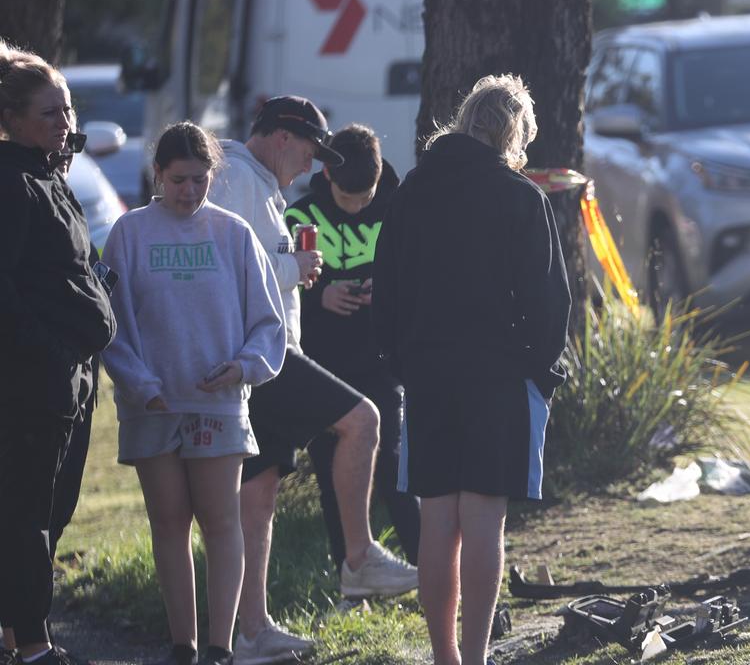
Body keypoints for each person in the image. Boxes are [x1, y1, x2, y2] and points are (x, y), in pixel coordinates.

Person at [206, 96, 417, 665]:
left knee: (259, 499)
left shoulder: (260, 185)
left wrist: (292, 273)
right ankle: (358, 560)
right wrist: (291, 270)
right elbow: (219, 264)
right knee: (363, 421)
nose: (311, 167)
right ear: (280, 137)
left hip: (267, 351)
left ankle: (250, 632)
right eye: (308, 152)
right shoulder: (235, 180)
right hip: (260, 351)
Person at [374, 74, 571, 665]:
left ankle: (444, 657)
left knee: (438, 518)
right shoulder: (519, 196)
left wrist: (397, 358)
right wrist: (541, 366)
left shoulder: (413, 188)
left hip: (429, 370)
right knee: (485, 518)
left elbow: (388, 281)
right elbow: (549, 298)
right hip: (499, 373)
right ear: (514, 133)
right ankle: (477, 655)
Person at [102, 122, 288, 665]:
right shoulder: (129, 233)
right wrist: (140, 383)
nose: (189, 191)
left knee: (221, 520)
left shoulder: (233, 234)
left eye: (200, 180)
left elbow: (267, 323)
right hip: (152, 404)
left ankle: (219, 646)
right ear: (157, 174)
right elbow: (110, 323)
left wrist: (243, 367)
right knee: (169, 520)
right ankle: (182, 643)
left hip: (218, 402)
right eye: (178, 180)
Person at [0, 39, 117, 665]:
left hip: (71, 380)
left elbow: (69, 270)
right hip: (31, 385)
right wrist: (48, 354)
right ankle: (34, 645)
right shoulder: (10, 181)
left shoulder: (49, 176)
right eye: (50, 114)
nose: (66, 124)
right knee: (27, 515)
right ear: (11, 118)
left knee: (53, 510)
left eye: (68, 111)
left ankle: (17, 634)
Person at [283, 124, 420, 569]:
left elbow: (422, 276)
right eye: (348, 200)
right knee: (329, 472)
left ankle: (424, 570)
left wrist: (388, 289)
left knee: (396, 468)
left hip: (382, 362)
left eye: (367, 197)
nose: (359, 208)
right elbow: (275, 284)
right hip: (324, 363)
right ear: (326, 176)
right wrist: (319, 296)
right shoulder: (299, 217)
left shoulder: (398, 209)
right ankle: (350, 577)